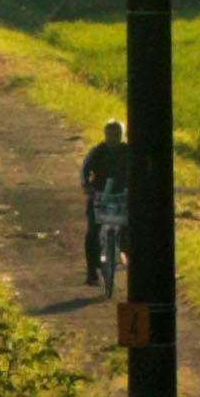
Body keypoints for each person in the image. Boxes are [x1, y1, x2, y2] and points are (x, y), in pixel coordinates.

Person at [81, 116, 129, 290]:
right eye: (109, 134)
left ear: (121, 135)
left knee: (129, 230)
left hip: (123, 196)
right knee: (92, 232)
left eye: (116, 134)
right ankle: (91, 273)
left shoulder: (128, 152)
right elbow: (85, 170)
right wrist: (87, 186)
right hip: (99, 195)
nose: (112, 137)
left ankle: (127, 257)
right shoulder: (97, 151)